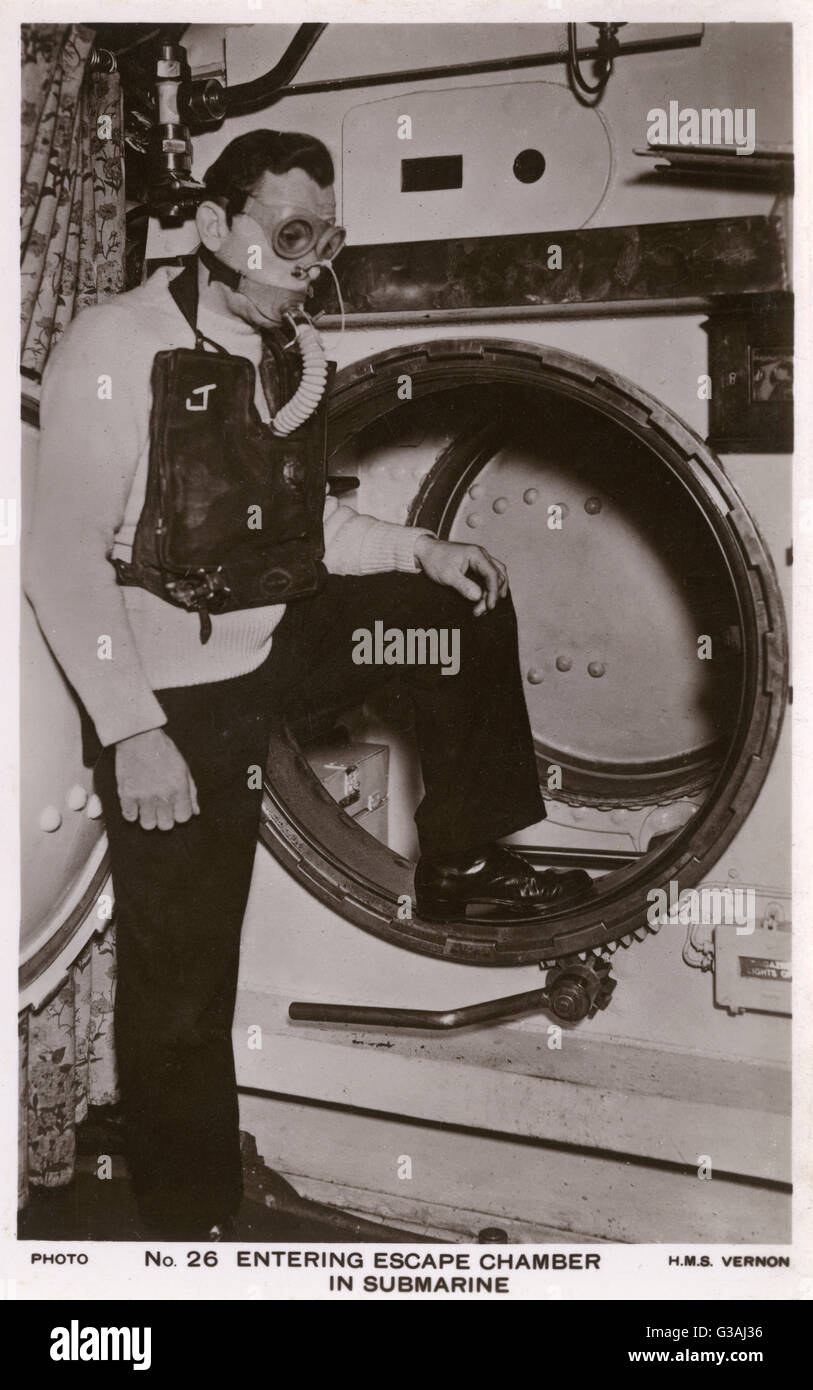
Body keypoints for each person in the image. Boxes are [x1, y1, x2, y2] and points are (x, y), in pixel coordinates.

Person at [25, 130, 591, 1241]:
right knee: (185, 977)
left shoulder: (289, 352)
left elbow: (303, 525)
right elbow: (58, 562)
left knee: (454, 606)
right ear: (211, 226)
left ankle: (465, 858)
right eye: (289, 237)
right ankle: (192, 1227)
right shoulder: (114, 344)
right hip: (168, 695)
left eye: (323, 241)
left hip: (270, 643)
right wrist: (133, 732)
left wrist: (419, 549)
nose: (307, 264)